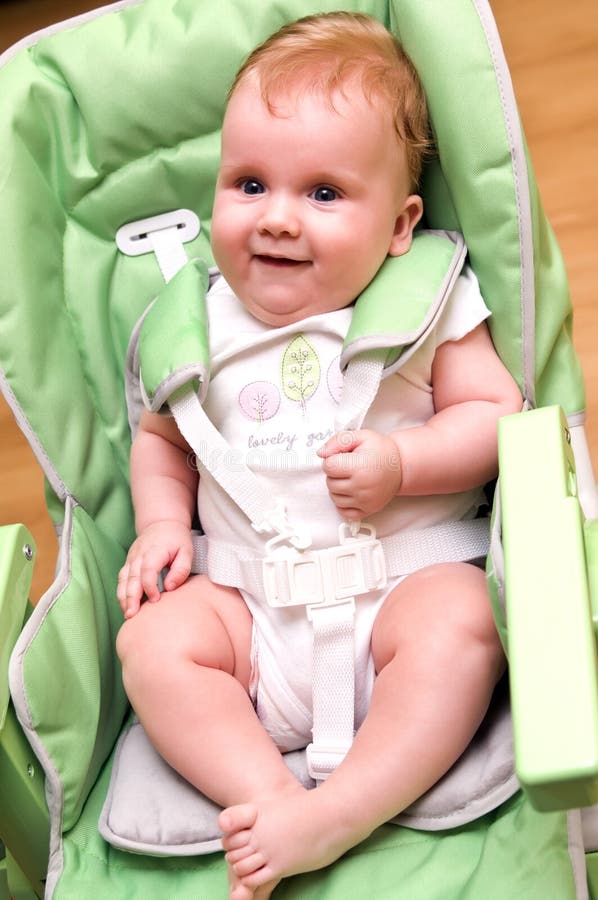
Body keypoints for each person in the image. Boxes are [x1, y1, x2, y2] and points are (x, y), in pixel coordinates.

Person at [116, 11, 522, 900]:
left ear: (400, 224)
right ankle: (269, 800)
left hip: (396, 601)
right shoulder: (198, 323)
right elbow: (161, 439)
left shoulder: (426, 302)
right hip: (249, 621)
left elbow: (500, 416)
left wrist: (405, 464)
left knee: (466, 623)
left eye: (325, 194)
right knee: (152, 644)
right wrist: (158, 526)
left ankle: (344, 809)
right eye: (250, 184)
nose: (278, 221)